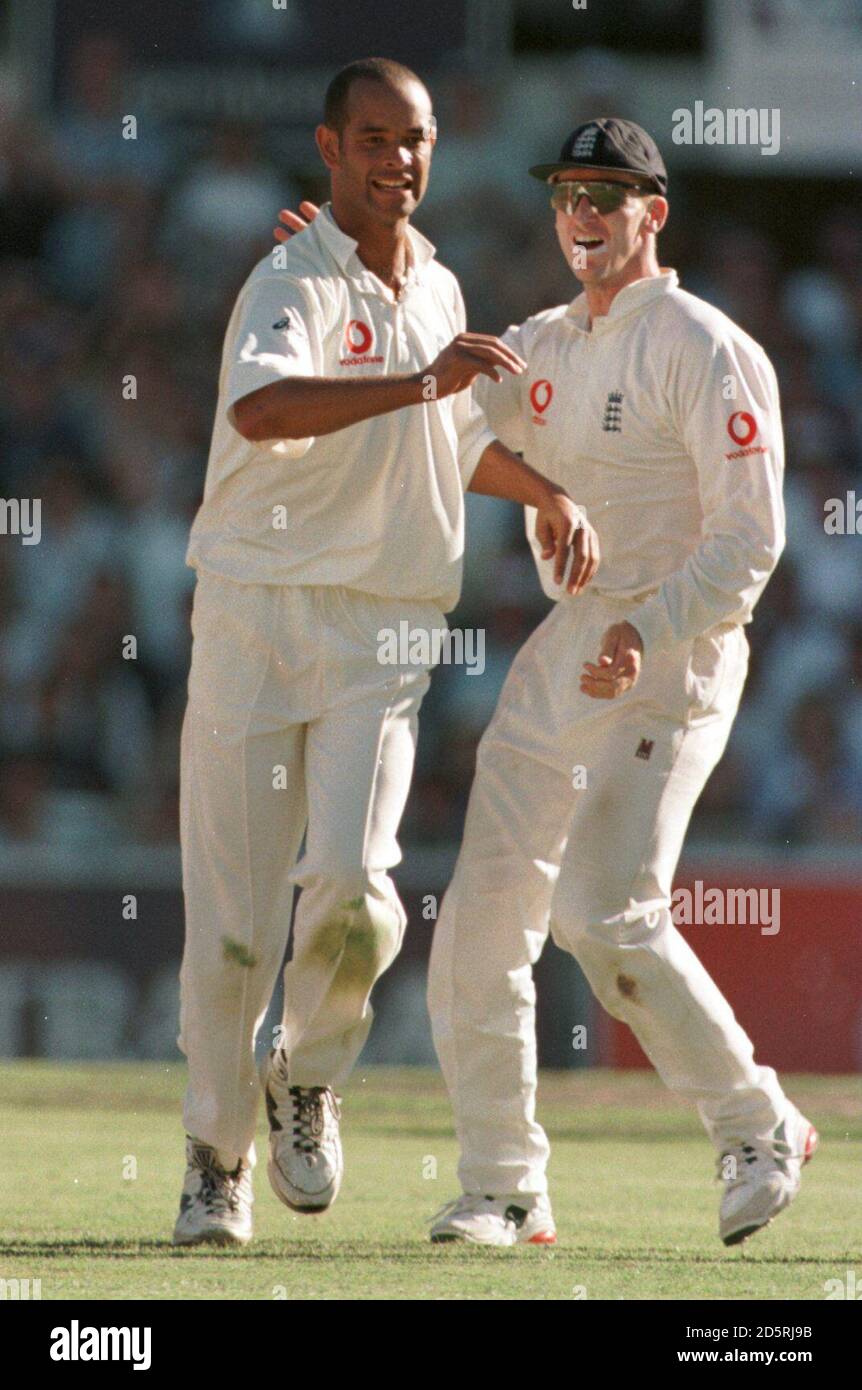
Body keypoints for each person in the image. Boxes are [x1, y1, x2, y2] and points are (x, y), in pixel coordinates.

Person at [172, 59, 599, 1247]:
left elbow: (448, 439)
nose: (396, 159)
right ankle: (214, 1159)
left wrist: (546, 491)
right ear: (329, 147)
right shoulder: (287, 273)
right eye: (372, 138)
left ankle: (304, 1074)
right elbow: (261, 412)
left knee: (359, 895)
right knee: (239, 922)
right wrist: (416, 379)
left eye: (413, 138)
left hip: (385, 628)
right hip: (261, 610)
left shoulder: (441, 284)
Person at [425, 119, 817, 1248]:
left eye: (606, 192)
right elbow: (436, 426)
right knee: (484, 917)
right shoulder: (541, 343)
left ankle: (756, 1124)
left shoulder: (704, 345)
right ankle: (502, 1186)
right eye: (564, 195)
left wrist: (646, 628)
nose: (580, 212)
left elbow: (751, 539)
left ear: (654, 211)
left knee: (603, 910)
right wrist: (343, 289)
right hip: (565, 651)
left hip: (679, 653)